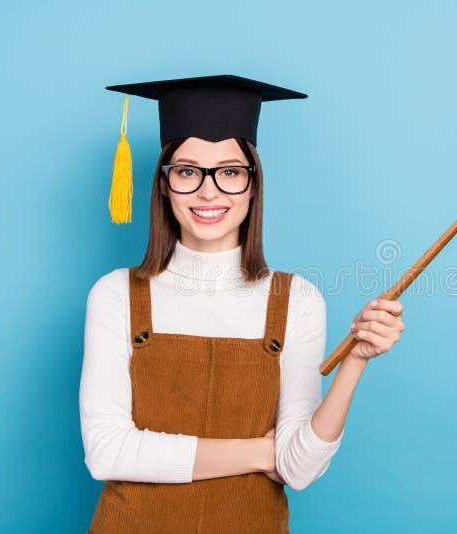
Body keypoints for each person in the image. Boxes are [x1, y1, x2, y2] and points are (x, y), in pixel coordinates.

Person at [79, 74, 406, 533]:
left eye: (230, 172)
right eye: (188, 171)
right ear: (164, 184)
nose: (209, 191)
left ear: (253, 186)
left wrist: (355, 359)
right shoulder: (116, 294)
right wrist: (257, 452)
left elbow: (299, 468)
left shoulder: (296, 301)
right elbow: (107, 451)